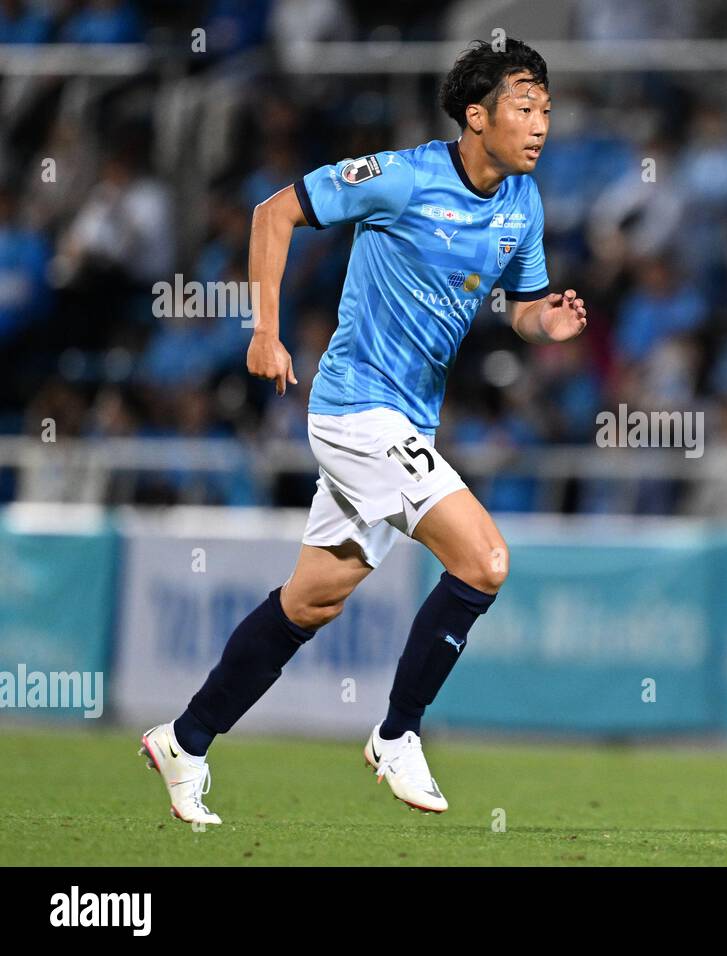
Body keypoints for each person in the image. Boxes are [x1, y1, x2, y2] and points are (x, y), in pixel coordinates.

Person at [139, 38, 588, 825]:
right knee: (484, 561)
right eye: (524, 107)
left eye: (546, 108)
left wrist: (545, 322)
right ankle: (397, 733)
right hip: (355, 410)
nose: (540, 123)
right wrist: (265, 332)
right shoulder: (403, 176)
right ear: (477, 116)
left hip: (406, 420)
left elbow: (522, 308)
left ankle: (185, 739)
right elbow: (274, 212)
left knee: (313, 601)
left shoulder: (524, 202)